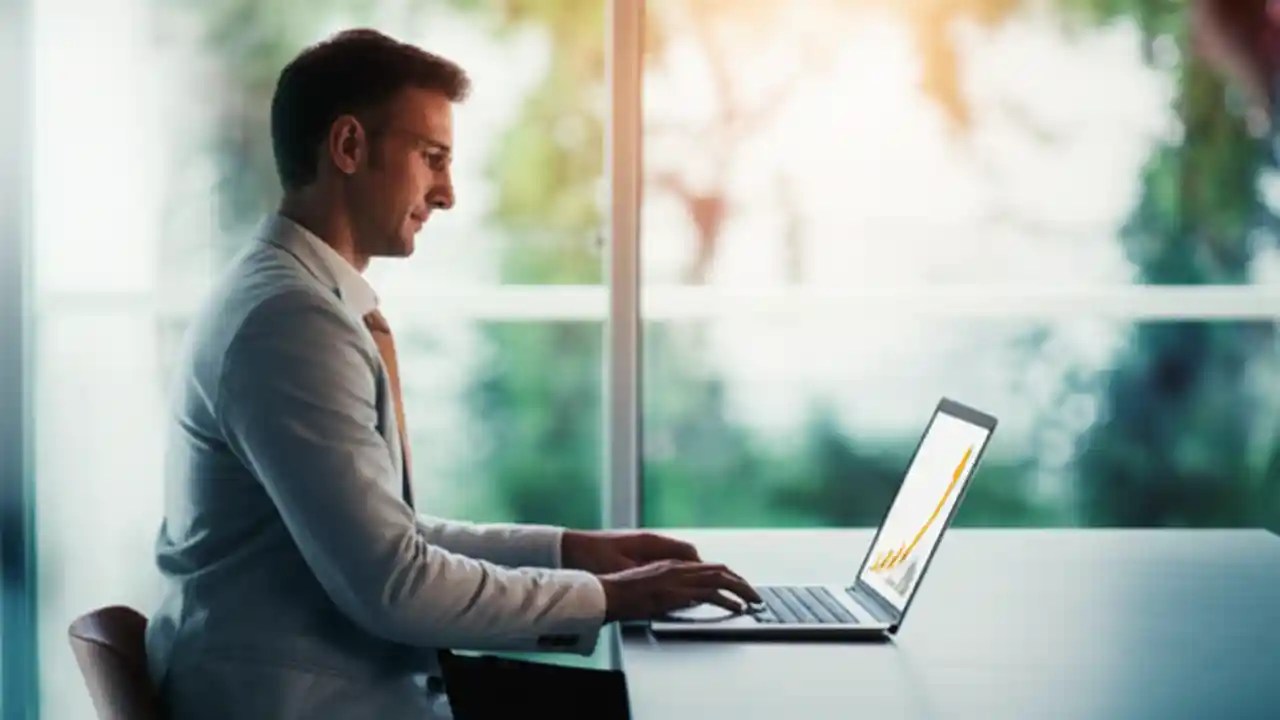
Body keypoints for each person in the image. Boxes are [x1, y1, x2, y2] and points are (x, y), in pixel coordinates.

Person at [144, 28, 760, 720]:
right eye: (431, 158)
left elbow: (386, 537)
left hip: (339, 680)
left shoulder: (292, 297)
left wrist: (575, 553)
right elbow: (397, 584)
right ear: (348, 148)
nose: (448, 194)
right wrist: (613, 597)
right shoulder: (290, 322)